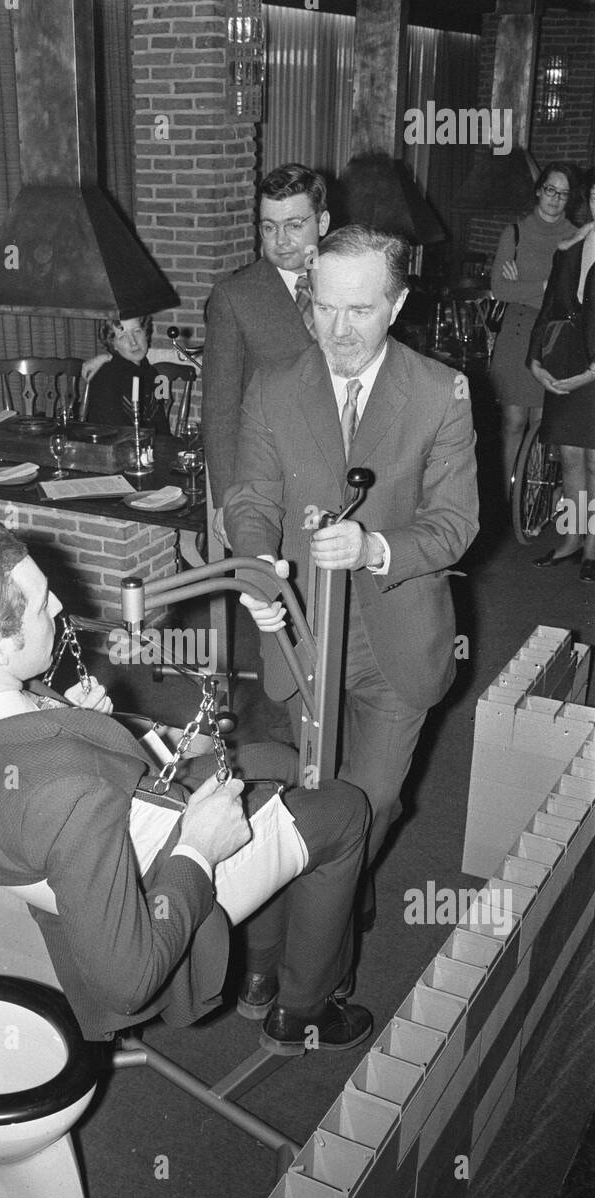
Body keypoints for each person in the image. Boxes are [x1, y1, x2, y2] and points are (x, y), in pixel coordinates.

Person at [0, 523, 373, 1056]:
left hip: (91, 847)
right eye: (42, 604)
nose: (60, 605)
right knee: (345, 810)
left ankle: (258, 972)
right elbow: (128, 983)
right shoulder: (67, 786)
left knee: (277, 761)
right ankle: (305, 1010)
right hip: (155, 883)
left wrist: (70, 718)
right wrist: (200, 848)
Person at [224, 226, 479, 908]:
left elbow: (456, 524)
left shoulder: (440, 392)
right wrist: (256, 568)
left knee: (372, 804)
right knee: (300, 800)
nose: (336, 330)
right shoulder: (272, 387)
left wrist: (375, 548)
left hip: (396, 636)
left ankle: (321, 949)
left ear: (395, 306)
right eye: (323, 307)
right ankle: (298, 932)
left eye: (359, 310)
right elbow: (251, 498)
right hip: (298, 627)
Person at [202, 163, 330, 508]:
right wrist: (227, 501)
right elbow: (220, 411)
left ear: (322, 222)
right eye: (269, 227)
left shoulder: (347, 280)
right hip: (271, 485)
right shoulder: (235, 295)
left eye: (293, 225)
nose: (281, 240)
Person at [488, 163, 577, 498]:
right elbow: (499, 289)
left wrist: (527, 285)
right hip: (516, 332)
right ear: (539, 190)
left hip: (553, 335)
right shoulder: (515, 232)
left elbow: (570, 294)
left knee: (542, 424)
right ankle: (509, 496)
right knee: (513, 421)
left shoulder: (574, 236)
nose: (555, 199)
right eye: (551, 190)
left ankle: (534, 500)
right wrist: (544, 284)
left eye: (563, 193)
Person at [528, 168, 595, 581]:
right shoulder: (571, 246)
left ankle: (594, 547)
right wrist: (535, 359)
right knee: (571, 456)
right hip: (567, 363)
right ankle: (572, 539)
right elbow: (551, 306)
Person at [84, 317, 171, 434]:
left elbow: (162, 426)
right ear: (113, 344)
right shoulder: (107, 377)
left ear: (146, 333)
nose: (133, 342)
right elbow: (116, 432)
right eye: (122, 336)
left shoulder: (153, 374)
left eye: (137, 331)